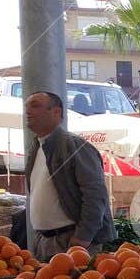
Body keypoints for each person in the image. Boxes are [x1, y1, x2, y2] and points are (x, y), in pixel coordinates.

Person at [22, 90, 111, 260]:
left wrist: (82, 238)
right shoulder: (36, 147)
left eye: (35, 106)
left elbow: (95, 194)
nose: (27, 111)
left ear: (56, 112)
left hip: (70, 242)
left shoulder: (74, 146)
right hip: (44, 242)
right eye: (26, 106)